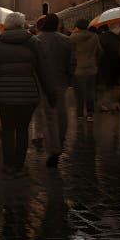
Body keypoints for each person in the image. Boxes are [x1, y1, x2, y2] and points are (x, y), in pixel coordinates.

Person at [0, 12, 56, 177]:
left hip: (3, 95)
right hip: (27, 94)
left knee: (7, 130)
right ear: (22, 25)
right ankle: (19, 166)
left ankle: (8, 165)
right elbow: (44, 71)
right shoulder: (33, 42)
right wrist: (51, 93)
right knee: (22, 130)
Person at [35, 13, 73, 167]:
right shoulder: (66, 41)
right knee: (62, 115)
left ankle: (53, 148)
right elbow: (72, 63)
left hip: (43, 83)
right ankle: (61, 143)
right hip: (60, 82)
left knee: (49, 116)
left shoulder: (36, 41)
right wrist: (69, 79)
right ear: (58, 24)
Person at [70, 18, 101, 121]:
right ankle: (90, 114)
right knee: (90, 92)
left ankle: (79, 114)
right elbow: (100, 52)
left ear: (77, 26)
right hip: (92, 68)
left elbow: (71, 54)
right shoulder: (95, 37)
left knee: (79, 93)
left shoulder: (72, 38)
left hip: (78, 69)